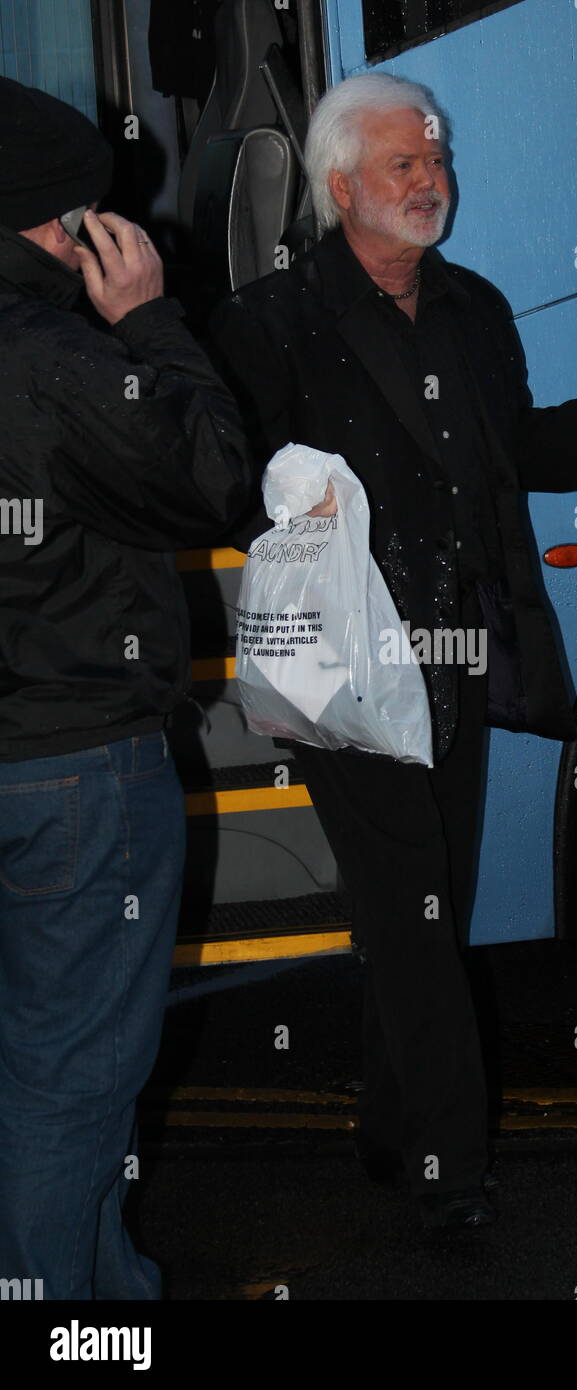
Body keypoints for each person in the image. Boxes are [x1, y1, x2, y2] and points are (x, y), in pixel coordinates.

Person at [209, 71, 577, 1230]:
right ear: (342, 184)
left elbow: (516, 455)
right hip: (349, 669)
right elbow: (218, 473)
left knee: (424, 902)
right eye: (405, 164)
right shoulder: (271, 320)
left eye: (437, 162)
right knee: (412, 908)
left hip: (457, 650)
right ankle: (448, 1169)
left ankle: (394, 1135)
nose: (431, 182)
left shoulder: (475, 310)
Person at [0, 77, 256, 1297]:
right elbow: (210, 476)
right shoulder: (52, 361)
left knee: (39, 1064)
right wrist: (150, 321)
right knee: (76, 1075)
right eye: (70, 220)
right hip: (74, 765)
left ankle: (108, 1299)